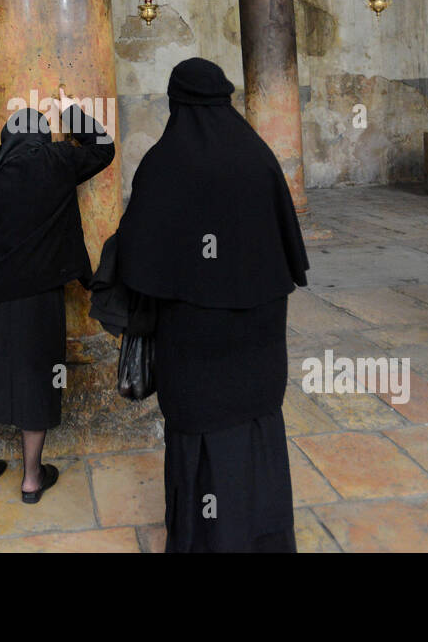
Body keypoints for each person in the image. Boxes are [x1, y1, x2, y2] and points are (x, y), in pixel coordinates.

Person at [112, 57, 310, 551]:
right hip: (259, 338)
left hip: (191, 343)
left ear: (177, 103)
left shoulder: (163, 164)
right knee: (254, 433)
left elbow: (136, 257)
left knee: (199, 440)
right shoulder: (257, 156)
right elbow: (287, 244)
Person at [0, 97, 114, 503]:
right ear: (43, 139)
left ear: (5, 138)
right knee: (37, 381)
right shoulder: (58, 162)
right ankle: (32, 479)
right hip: (37, 298)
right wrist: (70, 113)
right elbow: (103, 146)